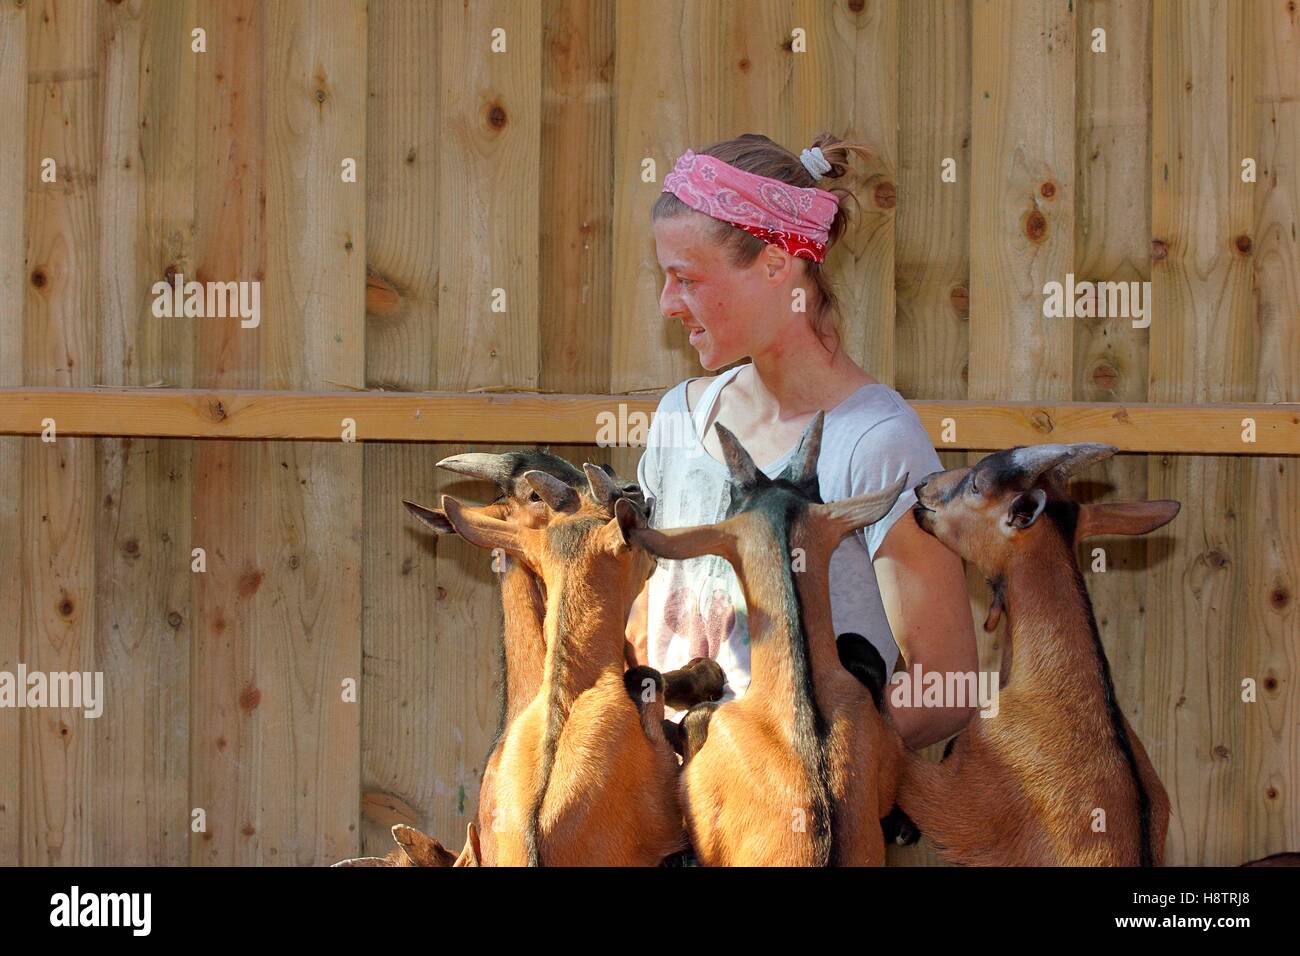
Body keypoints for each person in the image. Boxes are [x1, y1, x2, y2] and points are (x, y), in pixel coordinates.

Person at [627, 132, 977, 750]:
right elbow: (645, 621)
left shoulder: (872, 442)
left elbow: (944, 685)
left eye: (685, 278)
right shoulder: (680, 420)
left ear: (776, 264)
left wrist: (804, 773)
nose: (666, 304)